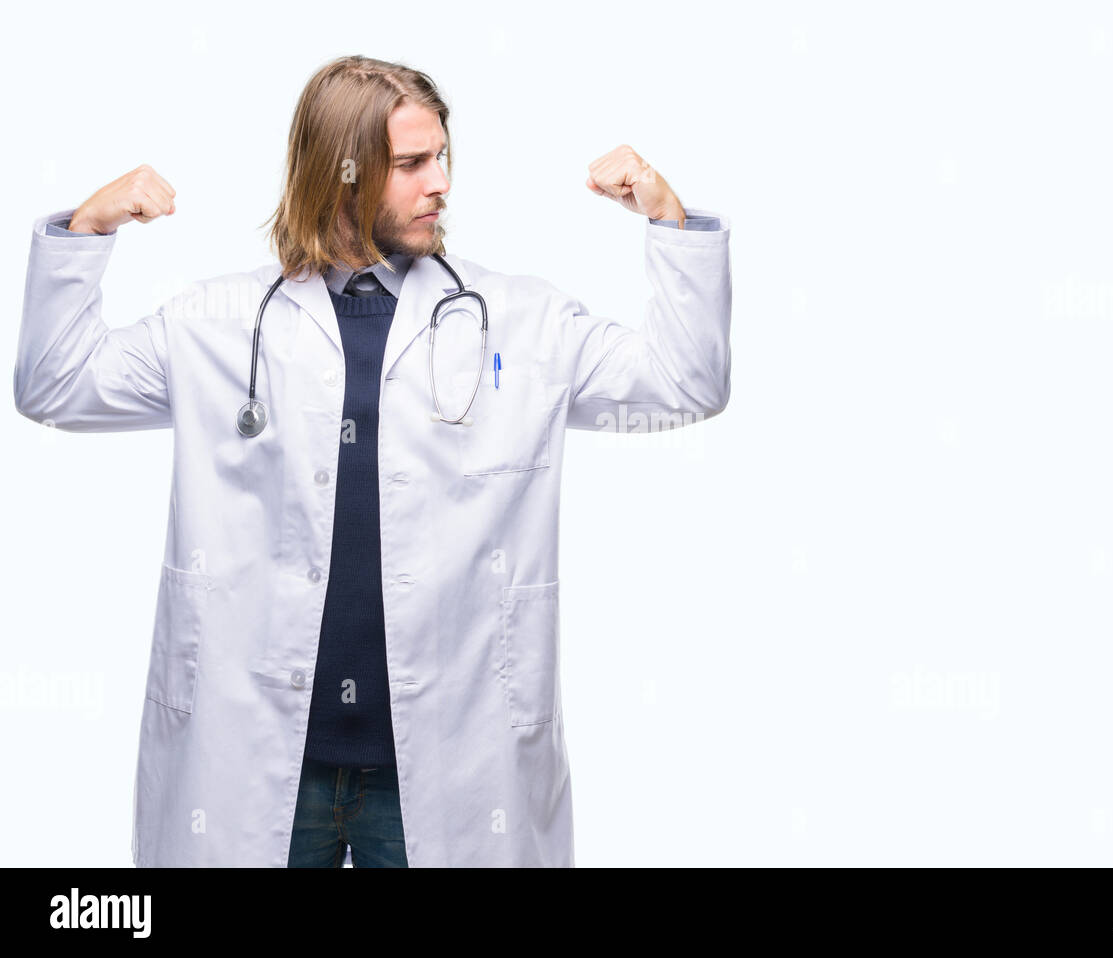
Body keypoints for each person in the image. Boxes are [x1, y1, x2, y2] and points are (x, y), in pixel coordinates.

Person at [14, 54, 731, 867]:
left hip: (451, 764)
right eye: (413, 163)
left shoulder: (521, 323)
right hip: (260, 765)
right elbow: (55, 386)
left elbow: (686, 383)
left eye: (442, 157)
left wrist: (668, 220)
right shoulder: (215, 323)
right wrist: (88, 231)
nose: (441, 184)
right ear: (340, 175)